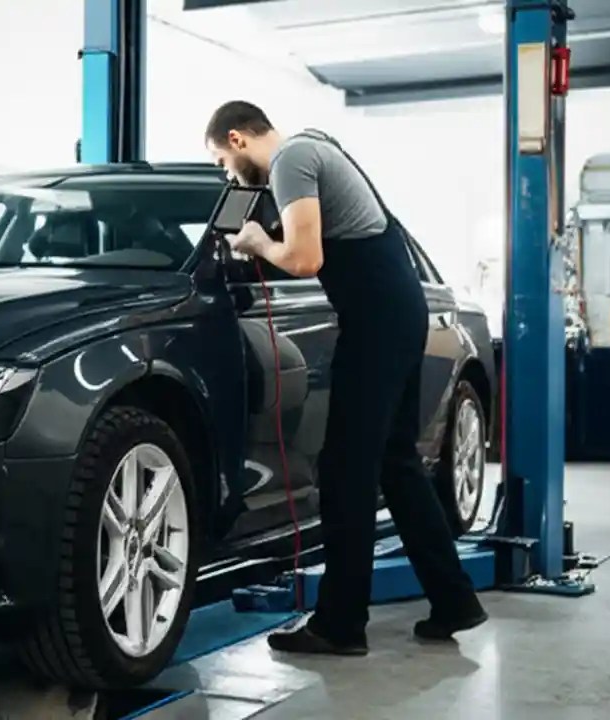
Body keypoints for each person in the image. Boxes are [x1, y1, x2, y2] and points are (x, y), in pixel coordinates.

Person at [204, 100, 488, 656]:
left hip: (377, 322)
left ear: (237, 139)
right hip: (399, 313)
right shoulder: (314, 148)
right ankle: (455, 599)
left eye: (221, 162)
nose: (227, 176)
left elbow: (304, 259)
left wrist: (257, 242)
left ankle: (340, 624)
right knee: (396, 463)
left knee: (344, 471)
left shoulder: (292, 160)